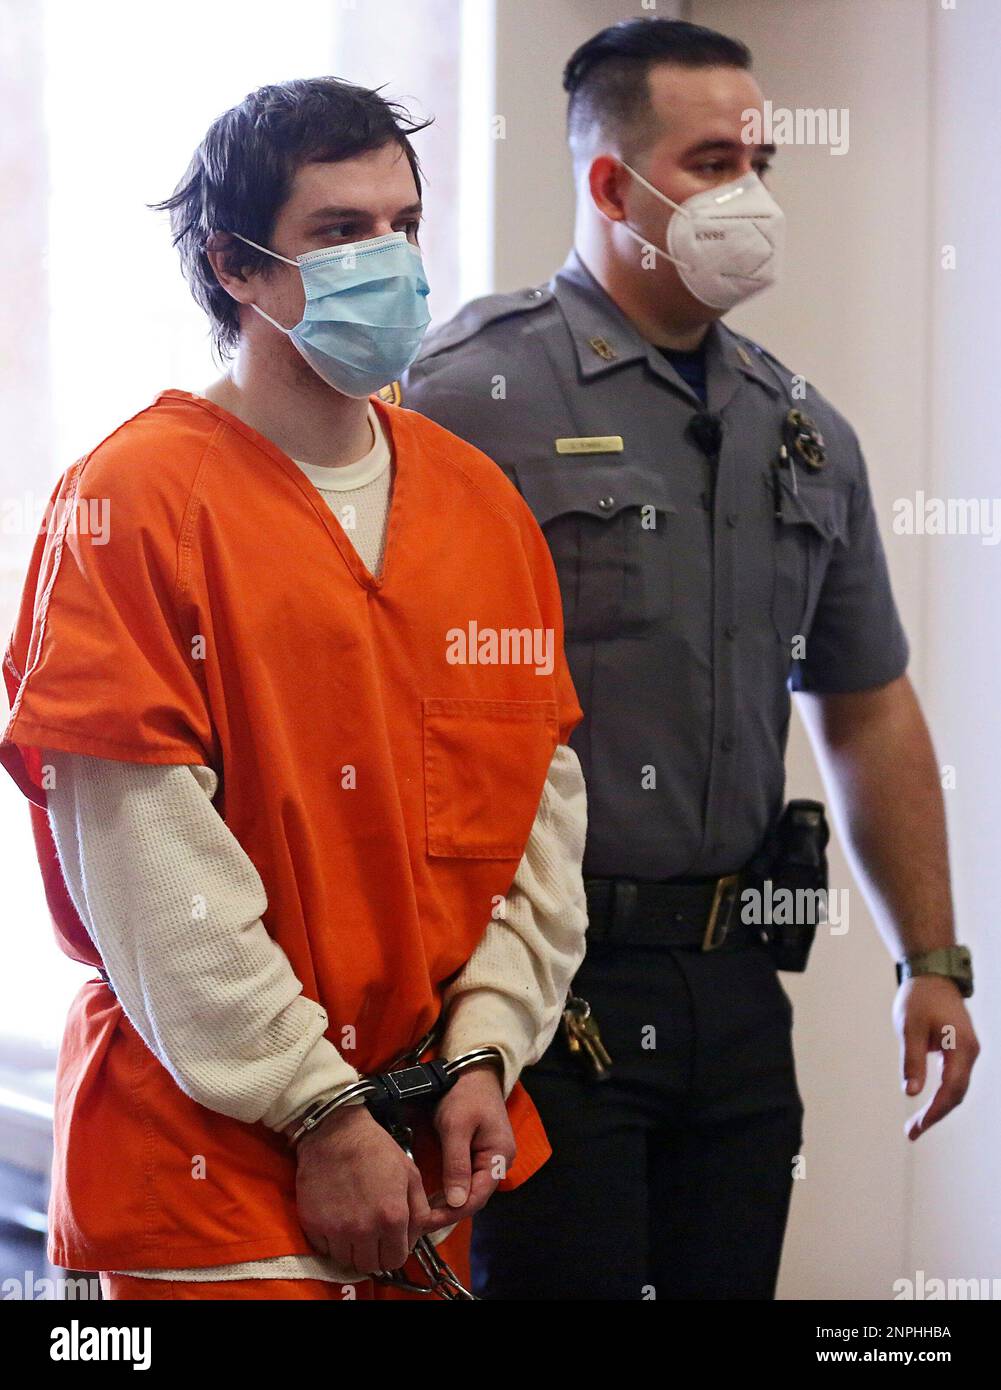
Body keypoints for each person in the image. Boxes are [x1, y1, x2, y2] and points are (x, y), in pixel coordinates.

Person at [400, 18, 980, 1300]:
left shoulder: (799, 427)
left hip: (733, 986)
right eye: (711, 159)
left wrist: (928, 961)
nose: (750, 192)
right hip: (538, 995)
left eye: (760, 157)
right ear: (611, 183)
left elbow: (868, 705)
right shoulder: (463, 400)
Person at [0, 75, 588, 1301]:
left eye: (403, 225)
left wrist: (486, 1049)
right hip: (206, 1161)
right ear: (236, 265)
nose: (390, 259)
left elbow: (534, 815)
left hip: (422, 1145)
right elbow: (146, 864)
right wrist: (317, 1107)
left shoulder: (479, 507)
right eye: (340, 231)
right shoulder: (134, 505)